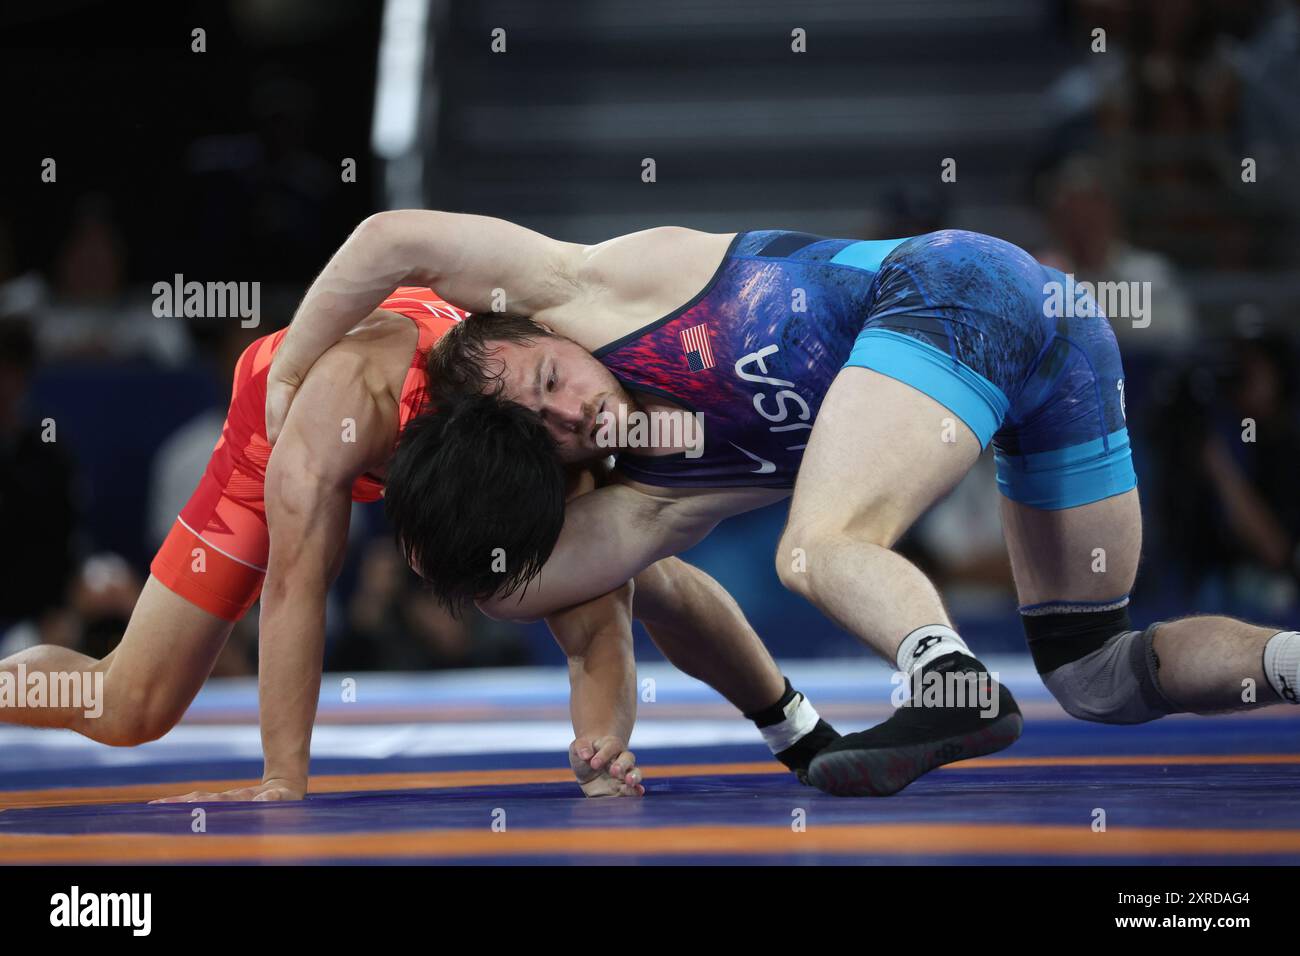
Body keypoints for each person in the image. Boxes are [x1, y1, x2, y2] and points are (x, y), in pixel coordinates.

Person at [267, 210, 1300, 797]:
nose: (579, 408)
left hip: (959, 288)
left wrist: (291, 371)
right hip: (1051, 353)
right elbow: (540, 590)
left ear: (536, 327)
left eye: (551, 381)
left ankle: (949, 685)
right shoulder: (647, 498)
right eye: (555, 432)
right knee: (1094, 671)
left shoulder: (592, 287)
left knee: (818, 544)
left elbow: (387, 236)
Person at [0, 284, 838, 801]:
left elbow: (597, 620)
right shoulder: (335, 416)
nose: (570, 413)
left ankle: (788, 720)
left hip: (459, 434)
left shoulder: (552, 383)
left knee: (638, 570)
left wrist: (600, 763)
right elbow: (297, 587)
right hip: (280, 431)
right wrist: (283, 782)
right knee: (130, 708)